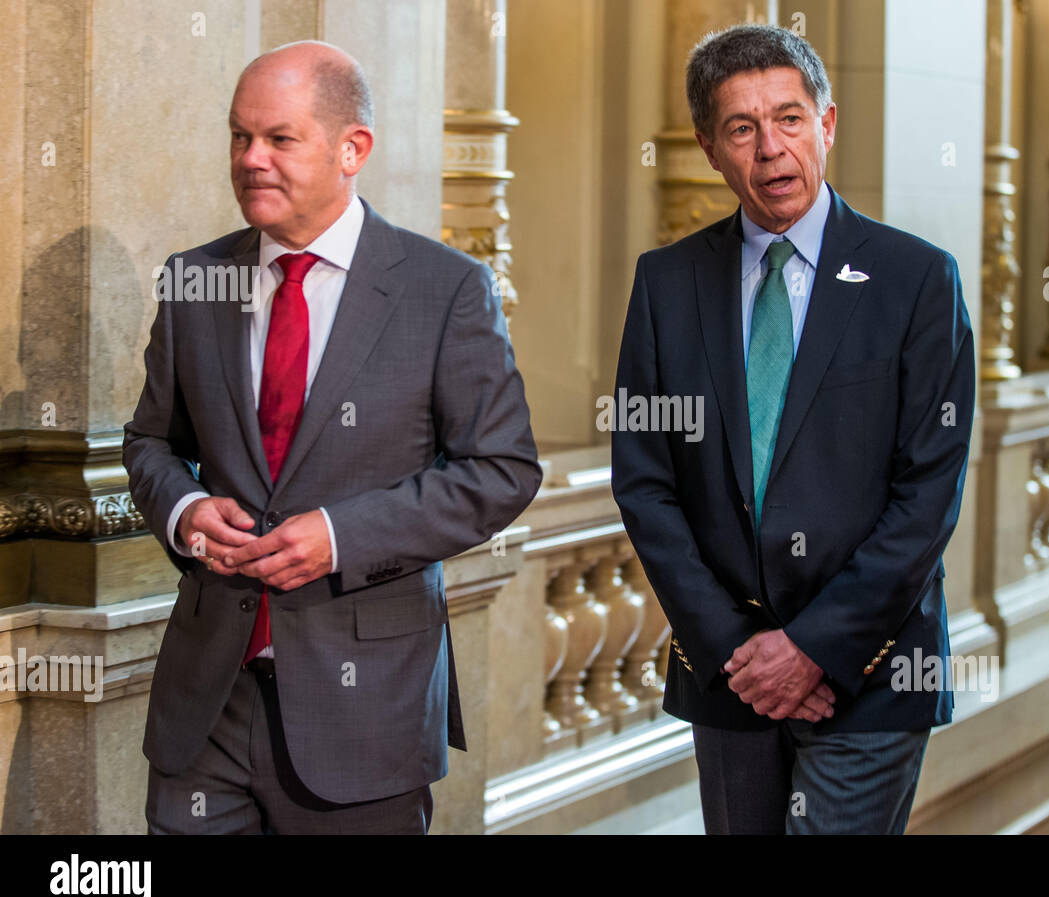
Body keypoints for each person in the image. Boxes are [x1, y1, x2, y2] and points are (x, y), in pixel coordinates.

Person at [123, 40, 541, 834]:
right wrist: (185, 511)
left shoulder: (447, 289)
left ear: (353, 149)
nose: (251, 159)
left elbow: (501, 470)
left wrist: (341, 536)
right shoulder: (193, 280)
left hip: (366, 714)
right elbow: (150, 442)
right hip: (205, 707)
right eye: (240, 137)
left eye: (279, 139)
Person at [611, 23, 974, 835]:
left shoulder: (918, 279)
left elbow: (927, 495)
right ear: (710, 148)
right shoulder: (667, 283)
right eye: (742, 128)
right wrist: (736, 650)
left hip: (873, 672)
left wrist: (812, 649)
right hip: (731, 674)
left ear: (827, 124)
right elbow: (644, 483)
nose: (771, 148)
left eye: (789, 119)